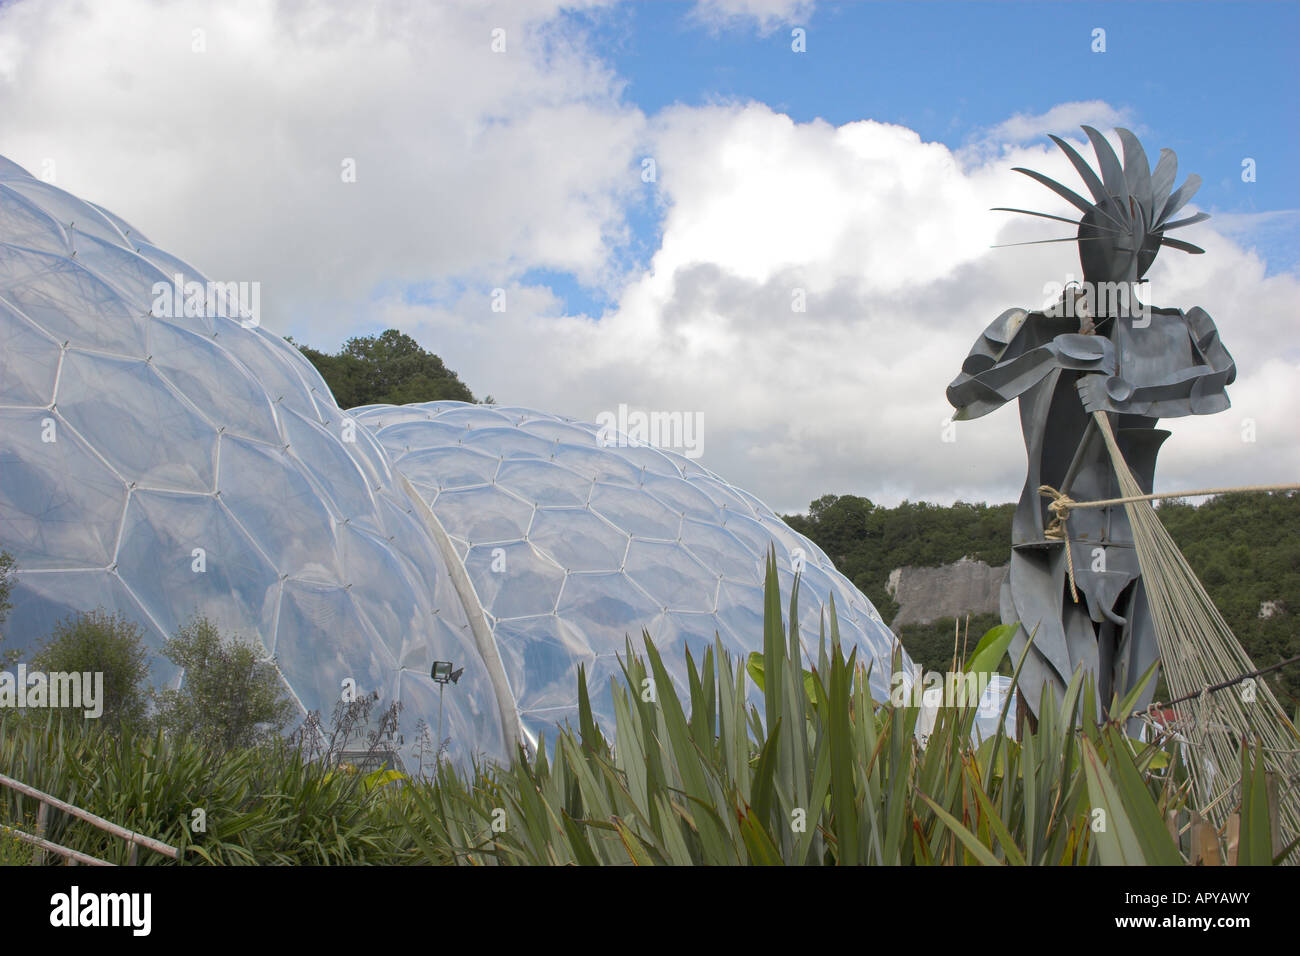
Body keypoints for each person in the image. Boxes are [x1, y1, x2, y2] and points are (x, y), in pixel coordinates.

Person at [947, 127, 1235, 732]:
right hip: (1051, 540)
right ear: (1087, 248)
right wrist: (1051, 355)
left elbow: (1216, 386)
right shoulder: (1035, 324)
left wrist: (1126, 391)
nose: (1127, 262)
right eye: (1114, 245)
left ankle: (1122, 795)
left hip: (1135, 537)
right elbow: (968, 397)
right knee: (1061, 701)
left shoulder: (1178, 328)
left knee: (1127, 700)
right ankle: (1064, 805)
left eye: (1139, 248)